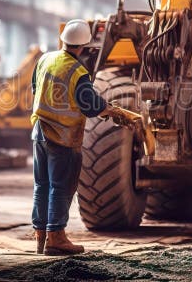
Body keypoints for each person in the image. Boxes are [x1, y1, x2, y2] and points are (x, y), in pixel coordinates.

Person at [30, 19, 126, 256]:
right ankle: (56, 237)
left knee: (41, 185)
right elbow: (90, 105)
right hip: (62, 136)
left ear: (63, 40)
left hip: (39, 132)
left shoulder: (45, 59)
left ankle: (40, 235)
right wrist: (110, 110)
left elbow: (35, 87)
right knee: (60, 187)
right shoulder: (78, 71)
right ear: (83, 47)